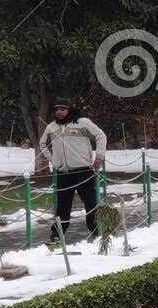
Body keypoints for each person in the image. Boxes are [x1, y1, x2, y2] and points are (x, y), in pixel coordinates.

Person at [38, 97, 107, 244]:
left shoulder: (83, 122)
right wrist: (53, 159)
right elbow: (42, 144)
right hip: (63, 173)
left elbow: (101, 136)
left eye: (63, 109)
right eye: (57, 110)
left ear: (70, 110)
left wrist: (99, 156)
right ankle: (56, 235)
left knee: (90, 202)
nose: (60, 112)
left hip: (83, 171)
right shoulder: (51, 127)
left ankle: (96, 230)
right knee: (62, 205)